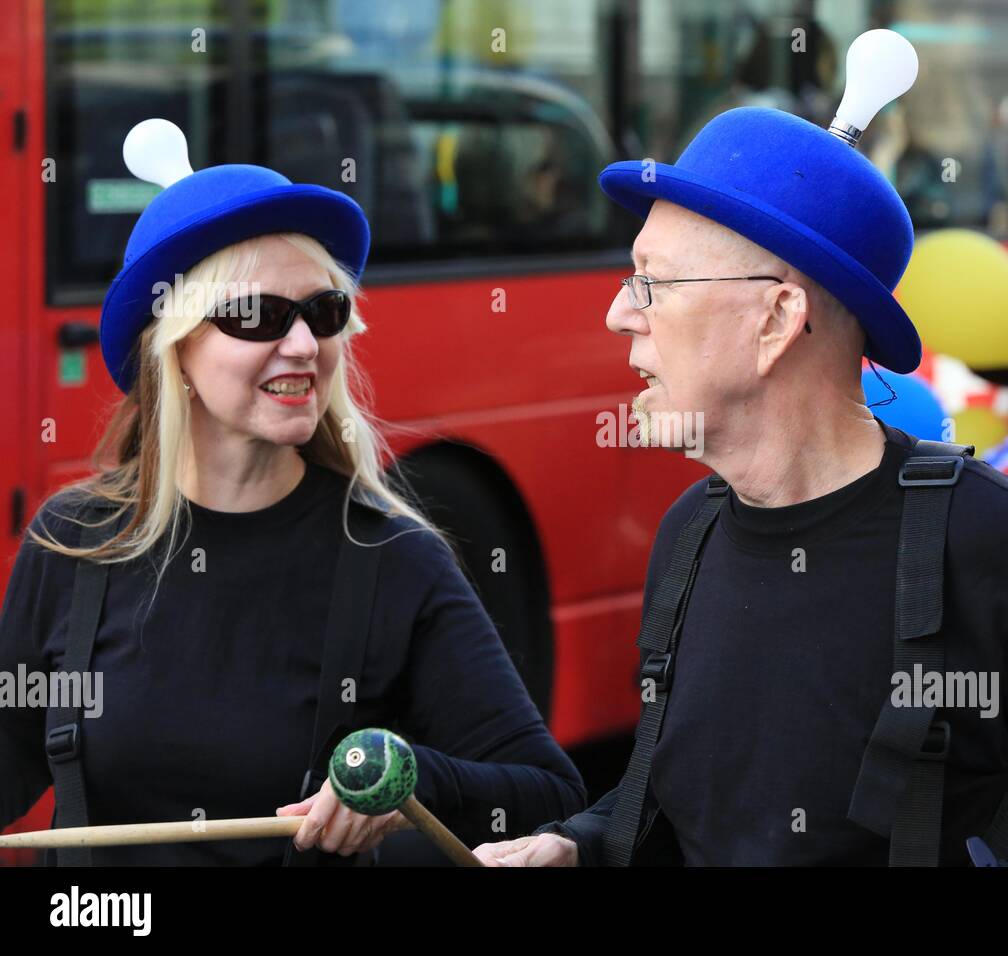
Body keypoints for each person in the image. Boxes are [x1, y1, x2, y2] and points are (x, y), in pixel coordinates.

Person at [473, 41, 1008, 866]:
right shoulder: (688, 536)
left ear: (775, 320)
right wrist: (580, 843)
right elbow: (685, 793)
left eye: (652, 283)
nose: (621, 315)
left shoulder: (995, 544)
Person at [0, 119, 584, 865]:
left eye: (324, 310)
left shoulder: (392, 558)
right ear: (173, 348)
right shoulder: (74, 537)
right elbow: (11, 747)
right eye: (258, 315)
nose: (305, 344)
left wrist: (404, 780)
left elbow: (546, 794)